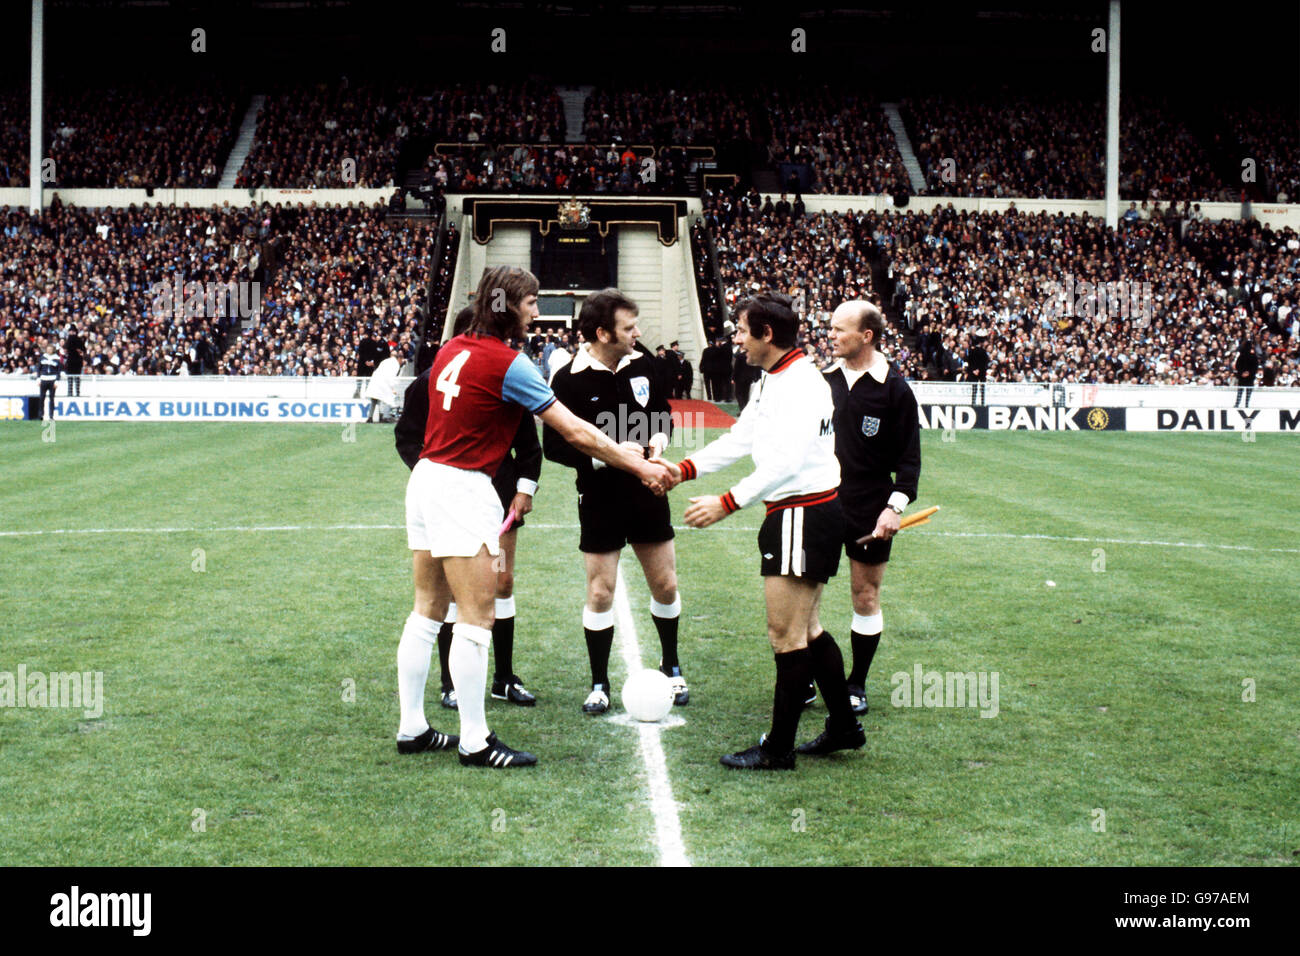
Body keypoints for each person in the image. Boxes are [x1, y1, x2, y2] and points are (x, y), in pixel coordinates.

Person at [397, 266, 671, 768]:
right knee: (477, 618)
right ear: (508, 306)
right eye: (531, 302)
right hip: (464, 486)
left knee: (427, 611)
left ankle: (412, 727)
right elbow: (578, 434)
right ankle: (475, 741)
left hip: (426, 481)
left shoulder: (451, 348)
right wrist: (641, 464)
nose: (537, 312)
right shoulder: (509, 362)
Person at [659, 292, 863, 770]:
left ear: (767, 334)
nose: (736, 339)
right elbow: (742, 436)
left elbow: (786, 462)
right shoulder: (776, 377)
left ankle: (778, 749)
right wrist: (684, 469)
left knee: (785, 635)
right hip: (801, 512)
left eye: (742, 330)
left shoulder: (800, 384)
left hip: (802, 512)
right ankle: (844, 727)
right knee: (808, 631)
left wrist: (727, 502)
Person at [543, 289, 689, 714]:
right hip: (600, 496)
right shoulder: (568, 379)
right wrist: (607, 456)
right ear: (602, 332)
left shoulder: (643, 362)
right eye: (629, 328)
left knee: (666, 585)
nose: (637, 333)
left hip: (648, 492)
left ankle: (672, 664)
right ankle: (598, 682)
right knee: (601, 592)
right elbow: (554, 445)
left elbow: (661, 412)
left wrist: (658, 442)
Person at [395, 308, 542, 712]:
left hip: (496, 495)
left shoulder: (506, 375)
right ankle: (453, 690)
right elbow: (408, 438)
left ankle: (503, 678)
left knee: (500, 586)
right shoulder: (431, 381)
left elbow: (528, 442)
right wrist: (439, 480)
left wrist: (523, 488)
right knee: (455, 601)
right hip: (454, 495)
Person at [819, 300, 921, 715]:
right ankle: (807, 675)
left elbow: (909, 462)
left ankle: (856, 684)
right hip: (820, 500)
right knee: (806, 597)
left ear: (867, 336)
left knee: (865, 595)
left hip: (870, 506)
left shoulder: (895, 389)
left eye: (840, 330)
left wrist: (893, 508)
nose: (831, 335)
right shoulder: (821, 382)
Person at [35, 339, 61, 421]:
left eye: (51, 349)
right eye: (48, 349)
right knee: (42, 397)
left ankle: (51, 416)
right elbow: (38, 369)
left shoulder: (57, 358)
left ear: (53, 350)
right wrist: (38, 378)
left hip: (52, 379)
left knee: (51, 398)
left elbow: (58, 370)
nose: (49, 350)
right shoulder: (42, 357)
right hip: (44, 379)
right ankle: (40, 415)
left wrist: (57, 380)